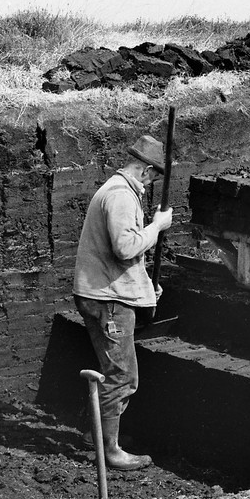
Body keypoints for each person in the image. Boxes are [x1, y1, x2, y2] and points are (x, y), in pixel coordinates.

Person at [72, 135, 174, 470]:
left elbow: (120, 256)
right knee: (122, 377)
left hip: (105, 293)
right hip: (107, 301)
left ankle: (101, 437)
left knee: (118, 375)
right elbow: (125, 248)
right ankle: (110, 451)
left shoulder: (118, 190)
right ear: (145, 171)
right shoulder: (120, 197)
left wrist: (144, 286)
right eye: (154, 177)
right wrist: (156, 227)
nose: (153, 184)